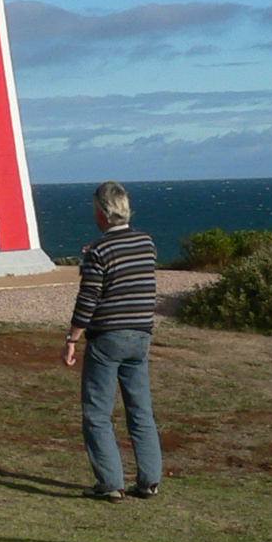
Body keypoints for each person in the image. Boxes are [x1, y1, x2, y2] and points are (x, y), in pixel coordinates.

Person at [62, 181, 160, 499]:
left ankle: (110, 482)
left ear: (102, 212)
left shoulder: (100, 252)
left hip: (107, 338)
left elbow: (88, 299)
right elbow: (125, 260)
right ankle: (149, 480)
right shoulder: (147, 243)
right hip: (141, 335)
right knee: (140, 410)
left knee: (97, 412)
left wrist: (72, 338)